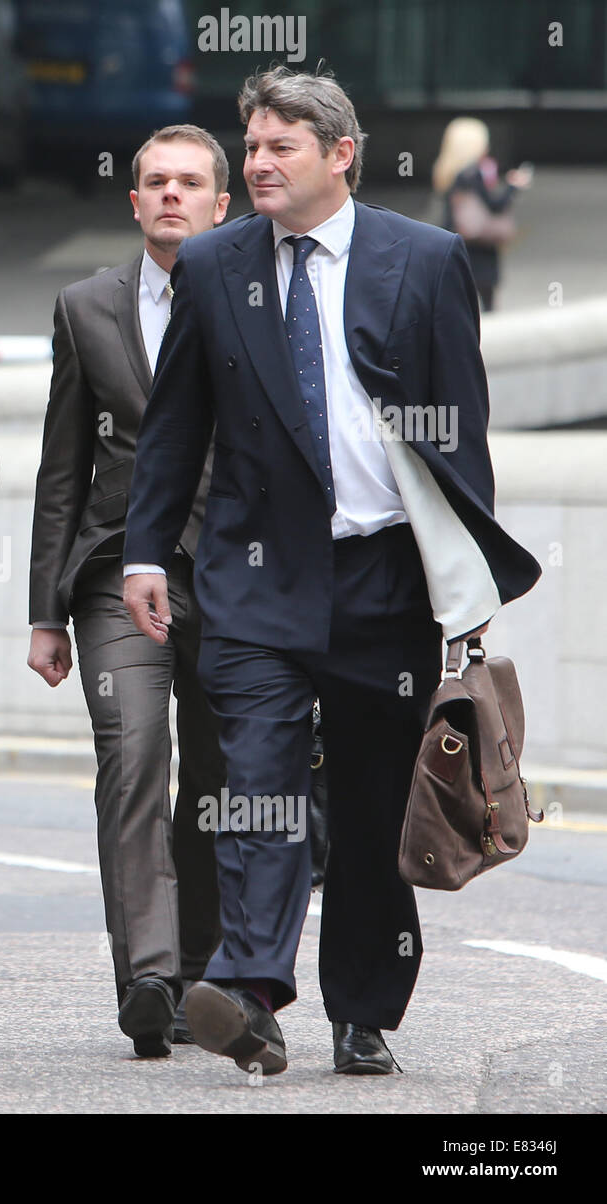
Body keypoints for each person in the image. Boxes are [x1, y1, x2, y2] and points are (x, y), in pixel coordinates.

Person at [124, 67, 540, 1077]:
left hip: (384, 580)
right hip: (254, 583)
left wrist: (461, 589)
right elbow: (175, 424)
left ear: (339, 155)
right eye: (252, 146)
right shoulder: (217, 266)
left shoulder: (426, 260)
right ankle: (253, 988)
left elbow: (462, 440)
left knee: (366, 806)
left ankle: (363, 1009)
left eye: (279, 148)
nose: (257, 163)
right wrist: (144, 547)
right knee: (256, 781)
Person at [27, 125, 228, 1058]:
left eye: (191, 182)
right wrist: (44, 611)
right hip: (118, 571)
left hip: (237, 575)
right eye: (156, 182)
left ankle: (198, 968)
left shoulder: (259, 293)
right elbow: (61, 468)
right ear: (134, 200)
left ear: (222, 204)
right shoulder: (85, 307)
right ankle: (148, 976)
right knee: (134, 752)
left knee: (219, 781)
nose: (173, 195)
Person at [432, 116, 531, 311]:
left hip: (454, 239)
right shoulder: (472, 173)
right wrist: (513, 187)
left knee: (457, 299)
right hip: (478, 243)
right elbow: (494, 205)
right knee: (487, 300)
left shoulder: (446, 171)